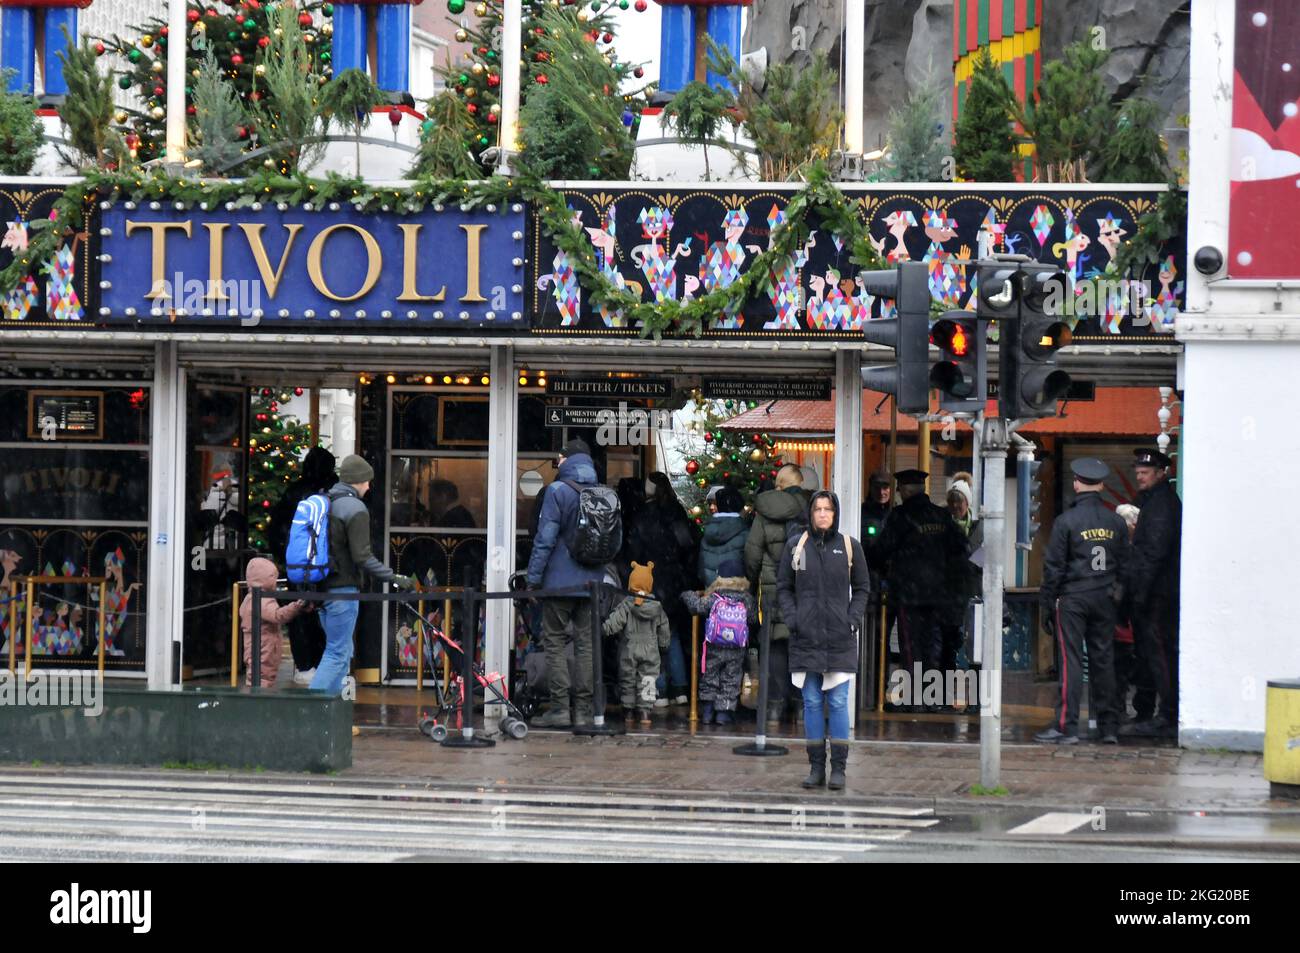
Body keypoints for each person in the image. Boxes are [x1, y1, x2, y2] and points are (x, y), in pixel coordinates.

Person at [777, 491, 871, 791]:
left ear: (835, 513)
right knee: (813, 702)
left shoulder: (848, 547)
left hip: (838, 637)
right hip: (805, 637)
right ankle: (816, 767)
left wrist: (852, 619)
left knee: (840, 702)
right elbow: (783, 588)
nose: (822, 514)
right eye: (817, 509)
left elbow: (862, 588)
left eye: (827, 509)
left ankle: (839, 768)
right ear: (810, 513)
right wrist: (793, 619)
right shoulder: (796, 546)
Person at [1035, 458, 1128, 745]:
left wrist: (1047, 604)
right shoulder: (1116, 522)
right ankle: (1109, 726)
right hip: (1104, 598)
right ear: (1101, 485)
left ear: (1077, 483)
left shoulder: (1066, 522)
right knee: (1104, 661)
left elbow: (1053, 569)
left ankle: (1067, 725)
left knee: (1071, 661)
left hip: (1074, 598)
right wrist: (1117, 597)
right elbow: (1126, 565)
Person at [311, 455, 415, 696]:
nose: (369, 486)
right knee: (337, 653)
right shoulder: (355, 508)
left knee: (342, 651)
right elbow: (362, 557)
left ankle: (331, 717)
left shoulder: (326, 500)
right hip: (343, 590)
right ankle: (311, 711)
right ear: (358, 481)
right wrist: (394, 577)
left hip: (321, 588)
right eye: (367, 481)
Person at [525, 438, 607, 728]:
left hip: (559, 581)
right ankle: (584, 710)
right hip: (592, 582)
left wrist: (533, 580)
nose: (557, 463)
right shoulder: (602, 492)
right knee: (586, 645)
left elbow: (544, 539)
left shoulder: (557, 491)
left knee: (555, 642)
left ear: (566, 460)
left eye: (559, 458)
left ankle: (560, 709)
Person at [870, 469, 967, 703]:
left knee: (912, 647)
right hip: (939, 595)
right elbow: (961, 547)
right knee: (933, 644)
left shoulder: (900, 516)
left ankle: (915, 699)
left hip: (909, 595)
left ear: (903, 490)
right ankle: (932, 698)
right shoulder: (941, 516)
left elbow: (881, 550)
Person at [624, 471, 697, 707]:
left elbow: (634, 552)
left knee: (652, 637)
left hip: (650, 581)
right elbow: (688, 547)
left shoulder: (643, 516)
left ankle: (660, 689)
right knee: (672, 635)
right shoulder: (676, 513)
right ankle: (680, 688)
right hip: (674, 582)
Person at [1123, 448, 1182, 738]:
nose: (1140, 477)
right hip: (1152, 593)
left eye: (1145, 473)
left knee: (1160, 654)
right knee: (1149, 654)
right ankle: (1147, 710)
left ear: (1161, 473)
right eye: (1138, 473)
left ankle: (1168, 714)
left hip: (1158, 595)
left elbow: (1153, 553)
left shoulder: (1162, 505)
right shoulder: (1154, 502)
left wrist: (1140, 593)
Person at [745, 463, 810, 724]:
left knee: (772, 647)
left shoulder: (763, 512)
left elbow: (752, 553)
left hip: (771, 591)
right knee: (800, 646)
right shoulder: (809, 509)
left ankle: (773, 706)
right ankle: (801, 706)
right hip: (801, 589)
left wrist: (755, 580)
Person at [268, 445, 336, 684]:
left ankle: (305, 665)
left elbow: (276, 529)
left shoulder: (293, 492)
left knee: (299, 614)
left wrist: (286, 556)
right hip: (328, 568)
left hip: (297, 566)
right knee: (331, 616)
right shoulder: (335, 492)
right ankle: (327, 665)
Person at [682, 557, 757, 725]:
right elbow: (752, 619)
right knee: (731, 679)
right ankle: (723, 713)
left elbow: (697, 607)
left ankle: (707, 712)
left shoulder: (715, 597)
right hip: (737, 648)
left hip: (714, 645)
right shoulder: (746, 599)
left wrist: (687, 595)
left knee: (710, 675)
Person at [602, 561, 670, 729]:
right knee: (647, 679)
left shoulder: (627, 603)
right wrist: (663, 645)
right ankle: (645, 712)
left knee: (628, 680)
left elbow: (615, 622)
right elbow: (664, 629)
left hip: (629, 648)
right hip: (651, 649)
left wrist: (602, 629)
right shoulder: (657, 607)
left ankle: (629, 711)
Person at [240, 557, 309, 689]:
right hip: (264, 649)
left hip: (259, 648)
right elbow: (278, 615)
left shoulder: (249, 598)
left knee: (255, 678)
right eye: (273, 578)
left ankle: (254, 702)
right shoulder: (262, 600)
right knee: (263, 679)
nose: (275, 582)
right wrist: (296, 606)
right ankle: (259, 705)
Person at [939, 473, 983, 683]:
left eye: (960, 501)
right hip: (947, 596)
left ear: (968, 502)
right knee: (948, 647)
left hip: (973, 594)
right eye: (952, 501)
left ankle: (976, 702)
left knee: (976, 649)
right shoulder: (942, 527)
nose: (956, 505)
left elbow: (989, 562)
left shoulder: (979, 527)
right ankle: (944, 695)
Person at [1112, 503, 1145, 720]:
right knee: (1122, 670)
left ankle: (1120, 709)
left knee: (1121, 670)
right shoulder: (1135, 550)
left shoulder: (1121, 550)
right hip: (1125, 623)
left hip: (1124, 623)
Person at [697, 486, 750, 587]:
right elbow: (751, 565)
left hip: (712, 592)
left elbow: (701, 567)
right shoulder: (745, 532)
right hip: (738, 592)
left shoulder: (708, 532)